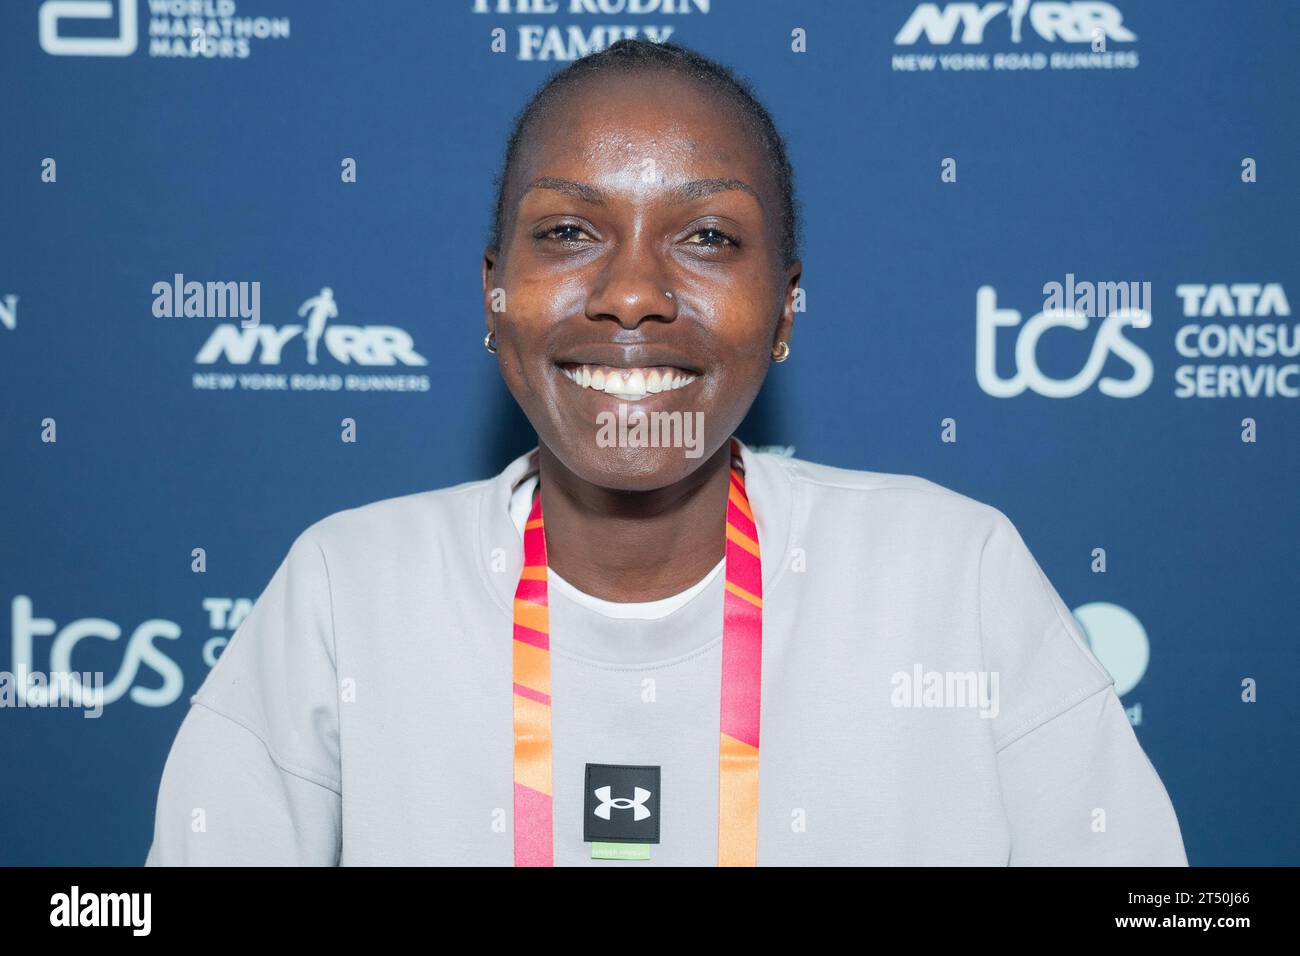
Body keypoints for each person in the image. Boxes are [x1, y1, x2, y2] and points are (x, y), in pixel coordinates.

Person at [145, 39, 1187, 866]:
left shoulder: (952, 572)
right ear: (491, 293)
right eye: (565, 233)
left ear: (783, 308)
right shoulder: (348, 587)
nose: (632, 290)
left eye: (707, 237)